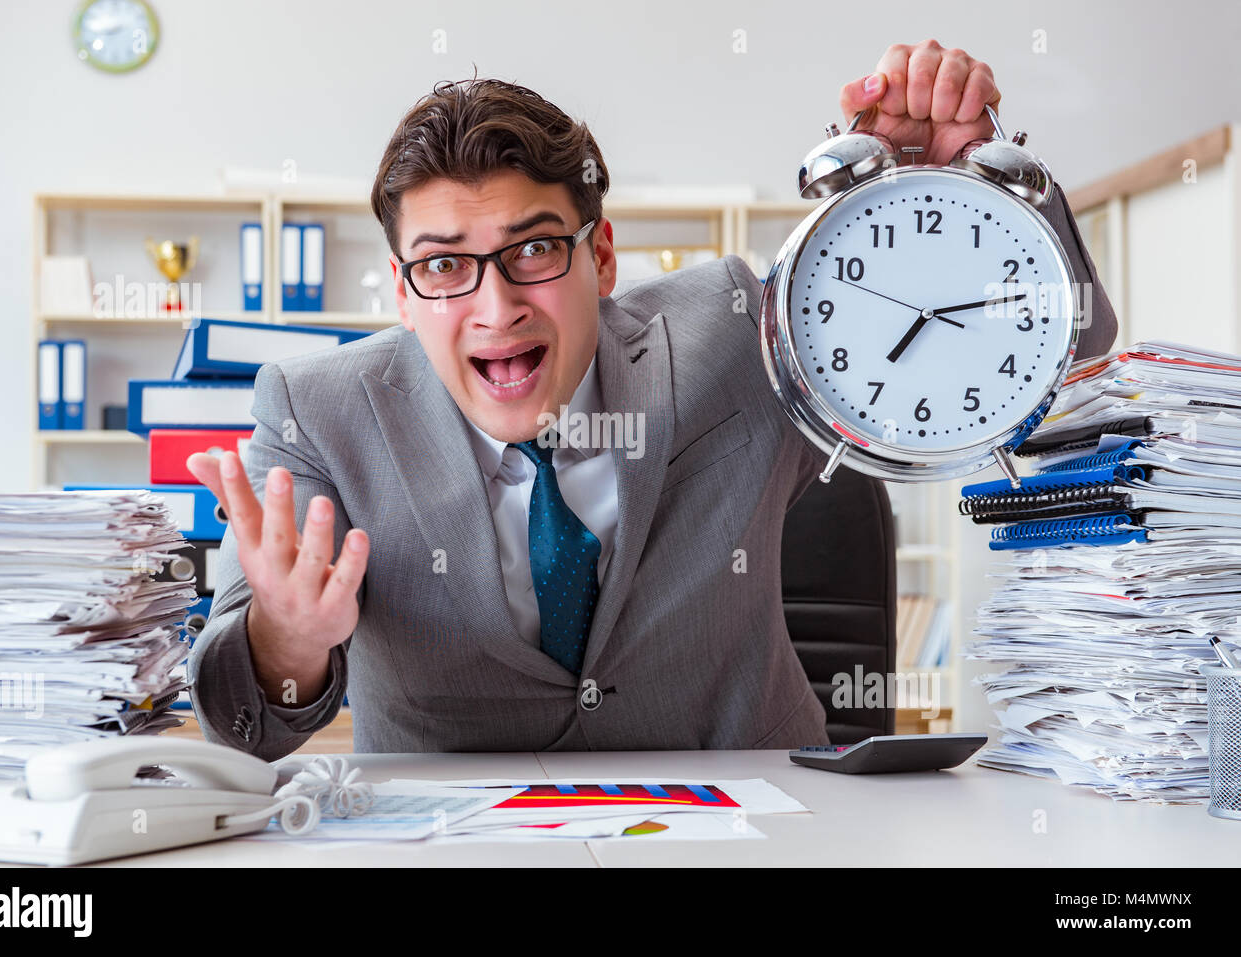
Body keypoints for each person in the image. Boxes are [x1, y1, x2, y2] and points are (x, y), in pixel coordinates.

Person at [187, 40, 1118, 758]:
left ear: (600, 256)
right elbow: (244, 724)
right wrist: (287, 642)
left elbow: (1065, 349)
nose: (496, 304)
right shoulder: (318, 413)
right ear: (403, 289)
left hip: (759, 837)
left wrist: (968, 191)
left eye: (535, 249)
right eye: (444, 266)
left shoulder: (735, 329)